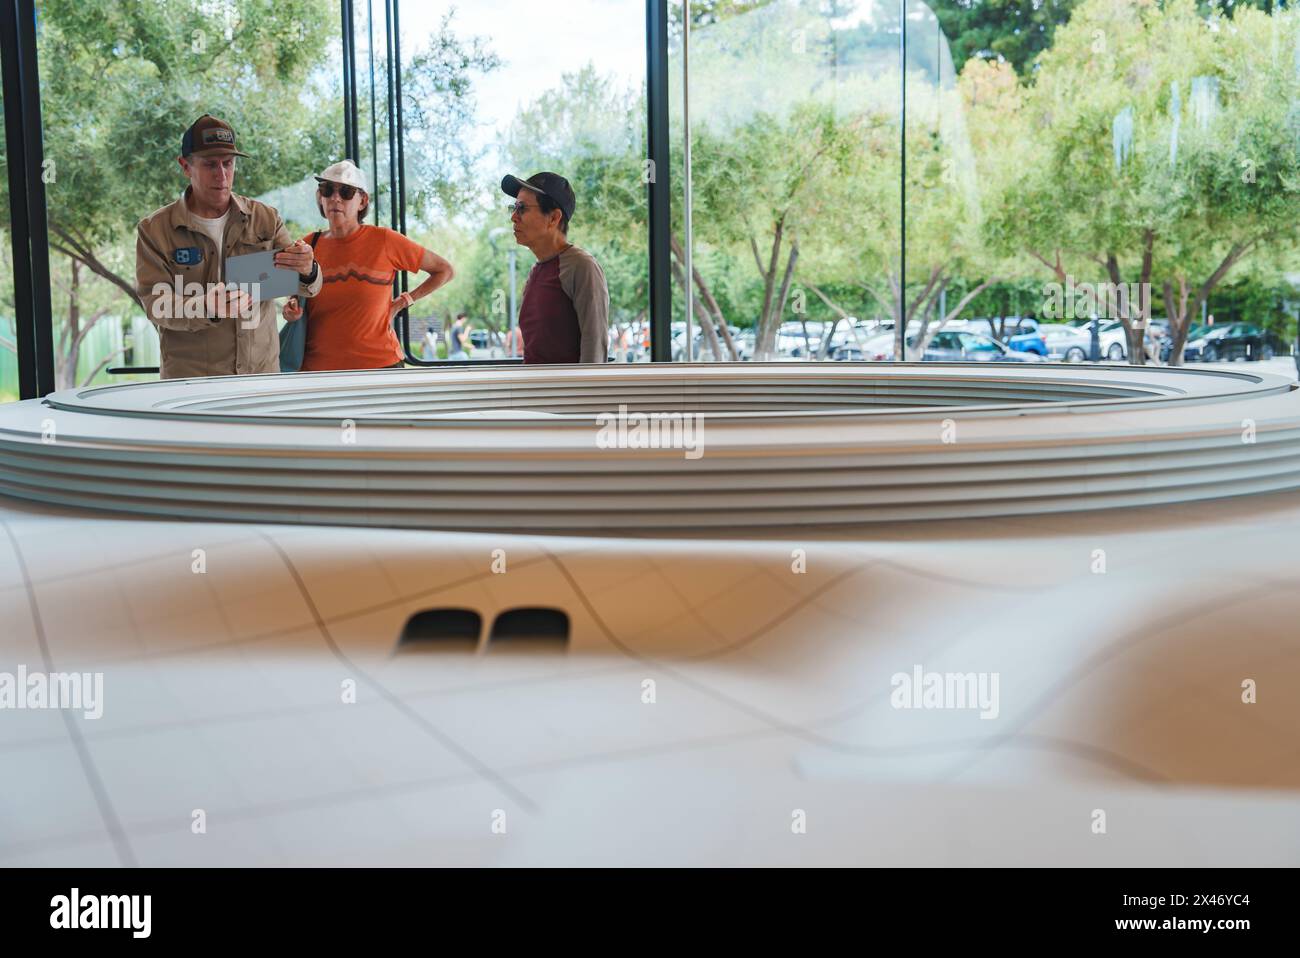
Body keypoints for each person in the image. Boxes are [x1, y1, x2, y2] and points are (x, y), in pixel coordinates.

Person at [136, 114, 322, 379]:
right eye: (210, 164)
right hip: (192, 384)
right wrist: (206, 306)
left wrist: (308, 269)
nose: (221, 175)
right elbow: (156, 304)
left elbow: (305, 285)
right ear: (185, 166)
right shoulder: (155, 230)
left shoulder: (266, 219)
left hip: (260, 379)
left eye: (228, 163)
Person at [283, 160, 454, 371]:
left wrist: (402, 302)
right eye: (327, 190)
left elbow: (444, 270)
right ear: (320, 197)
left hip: (380, 367)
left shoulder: (385, 240)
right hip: (318, 372)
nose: (335, 198)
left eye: (346, 192)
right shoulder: (307, 245)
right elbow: (294, 299)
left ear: (362, 201)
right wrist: (291, 309)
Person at [500, 171, 608, 364]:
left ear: (553, 218)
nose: (514, 217)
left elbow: (594, 348)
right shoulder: (537, 270)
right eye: (513, 208)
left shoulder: (581, 266)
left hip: (563, 393)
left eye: (522, 208)